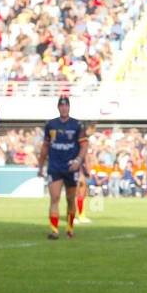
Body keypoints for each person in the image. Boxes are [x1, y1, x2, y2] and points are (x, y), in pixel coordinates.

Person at [37, 96, 87, 239]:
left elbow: (84, 145)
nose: (64, 108)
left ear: (69, 107)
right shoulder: (51, 125)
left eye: (66, 105)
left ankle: (70, 228)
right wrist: (41, 166)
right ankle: (54, 230)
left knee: (71, 199)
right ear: (58, 107)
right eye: (61, 105)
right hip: (55, 166)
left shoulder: (77, 125)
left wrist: (78, 160)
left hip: (71, 167)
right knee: (55, 198)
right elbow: (45, 146)